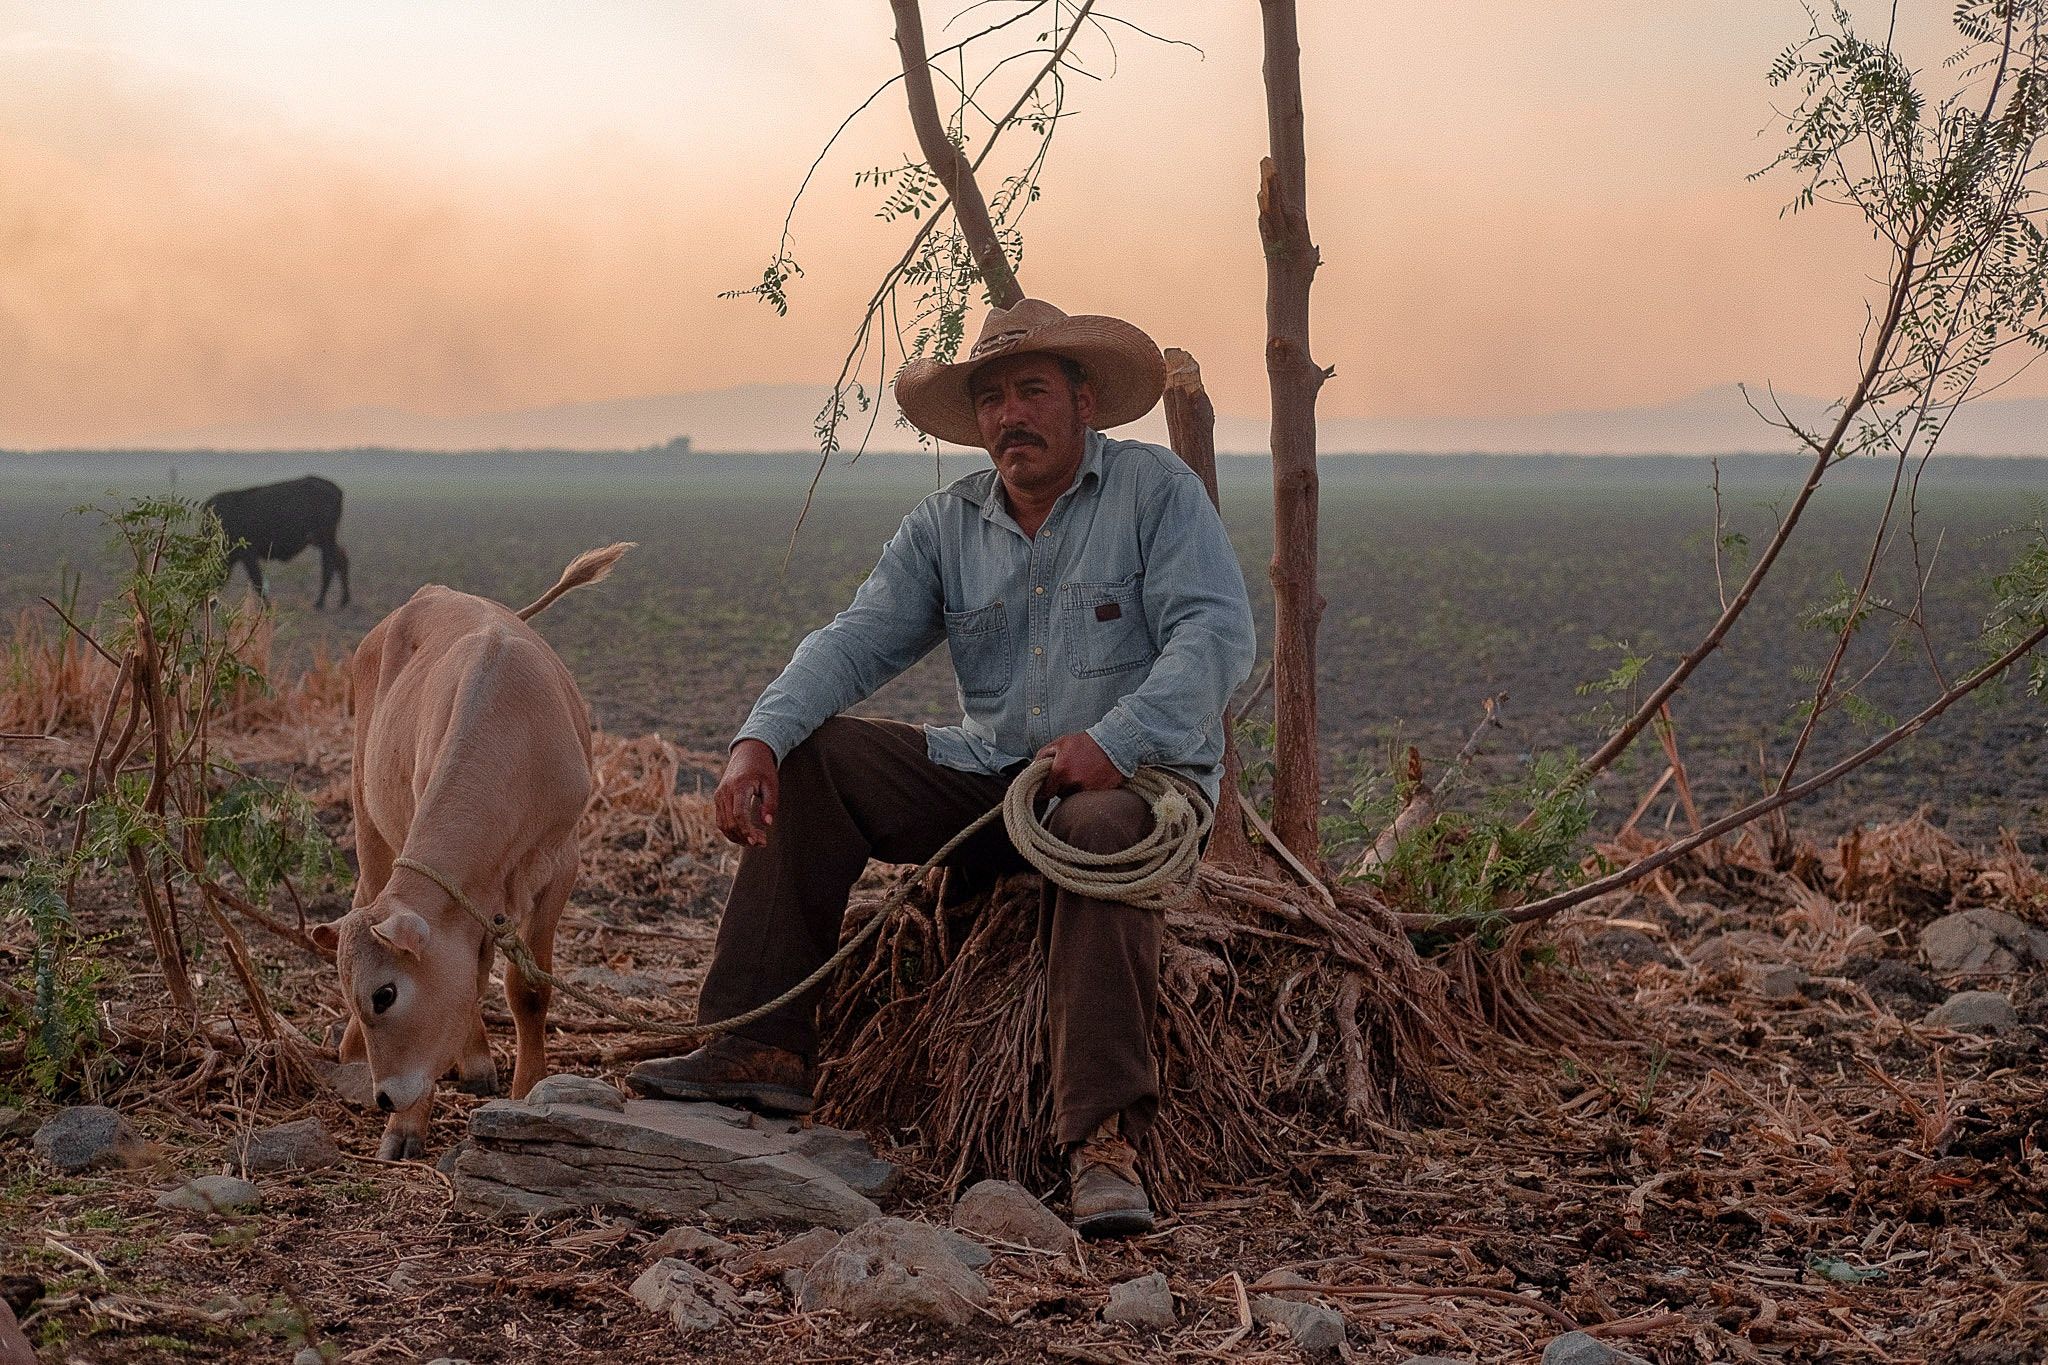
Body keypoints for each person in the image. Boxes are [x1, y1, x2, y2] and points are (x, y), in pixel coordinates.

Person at [628, 298, 1256, 1237]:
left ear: (1083, 400)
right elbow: (855, 642)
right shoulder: (944, 526)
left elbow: (1215, 637)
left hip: (1134, 784)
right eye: (992, 398)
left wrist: (1115, 741)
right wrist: (758, 740)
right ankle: (758, 1047)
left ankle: (1102, 1143)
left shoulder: (1155, 492)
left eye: (1033, 390)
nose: (1011, 414)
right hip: (996, 779)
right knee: (819, 759)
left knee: (1099, 827)